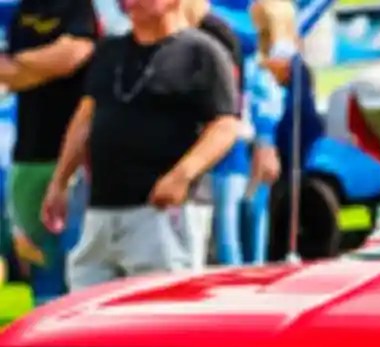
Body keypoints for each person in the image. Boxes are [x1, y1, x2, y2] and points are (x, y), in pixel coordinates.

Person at [40, 0, 240, 289]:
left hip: (162, 212)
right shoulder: (109, 51)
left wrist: (181, 175)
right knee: (88, 312)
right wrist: (60, 181)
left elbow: (225, 125)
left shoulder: (203, 53)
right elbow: (86, 117)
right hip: (102, 211)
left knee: (159, 315)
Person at [0, 0, 99, 304]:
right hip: (27, 155)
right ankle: (46, 324)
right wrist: (48, 62)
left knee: (76, 252)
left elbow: (74, 55)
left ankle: (77, 327)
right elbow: (8, 75)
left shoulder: (77, 6)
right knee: (33, 251)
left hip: (77, 155)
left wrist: (20, 62)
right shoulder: (19, 10)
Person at [184, 0, 281, 266]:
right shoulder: (256, 62)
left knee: (229, 234)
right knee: (246, 227)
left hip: (232, 151)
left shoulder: (252, 61)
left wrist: (265, 140)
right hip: (240, 149)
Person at [251, 0, 324, 261]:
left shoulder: (279, 60)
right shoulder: (292, 58)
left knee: (272, 204)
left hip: (284, 139)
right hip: (295, 137)